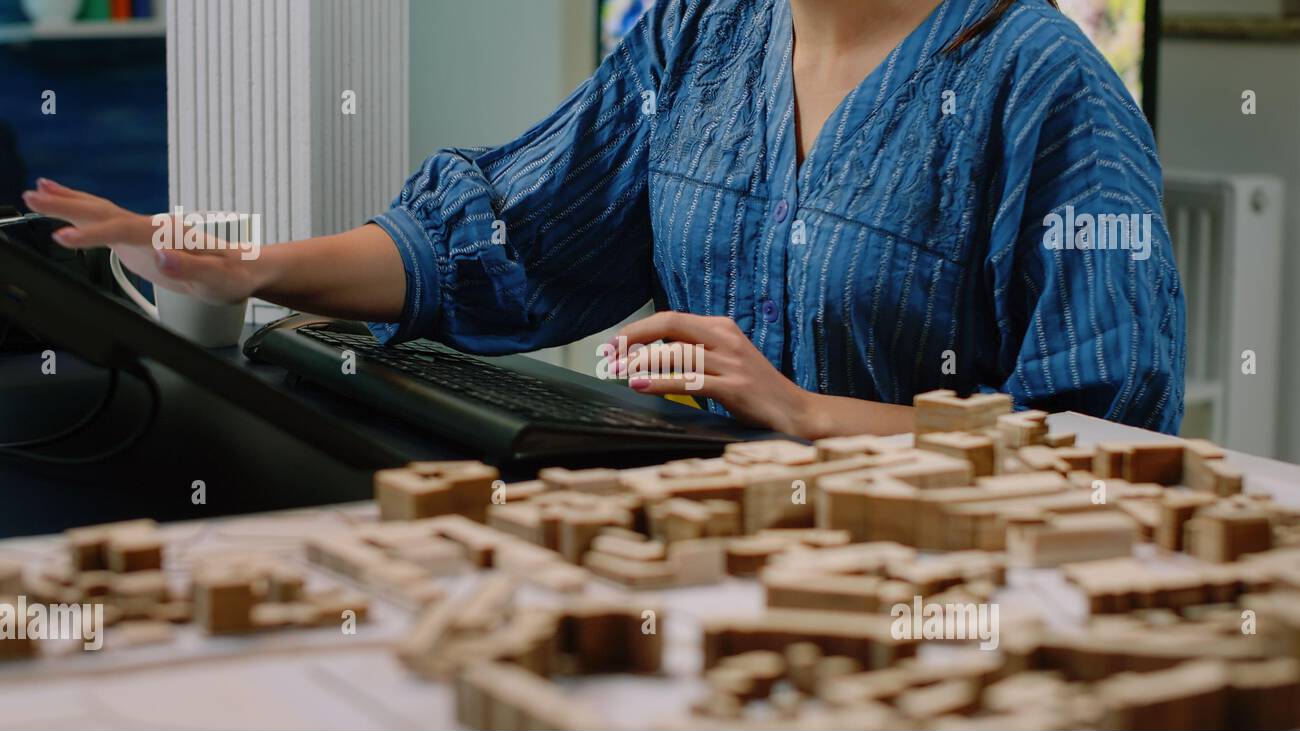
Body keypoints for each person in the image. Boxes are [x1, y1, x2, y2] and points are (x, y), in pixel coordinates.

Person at [23, 0, 1185, 438]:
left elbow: (1104, 452)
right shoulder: (700, 34)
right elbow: (502, 237)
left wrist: (802, 410)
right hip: (690, 572)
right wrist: (250, 269)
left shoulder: (1046, 87)